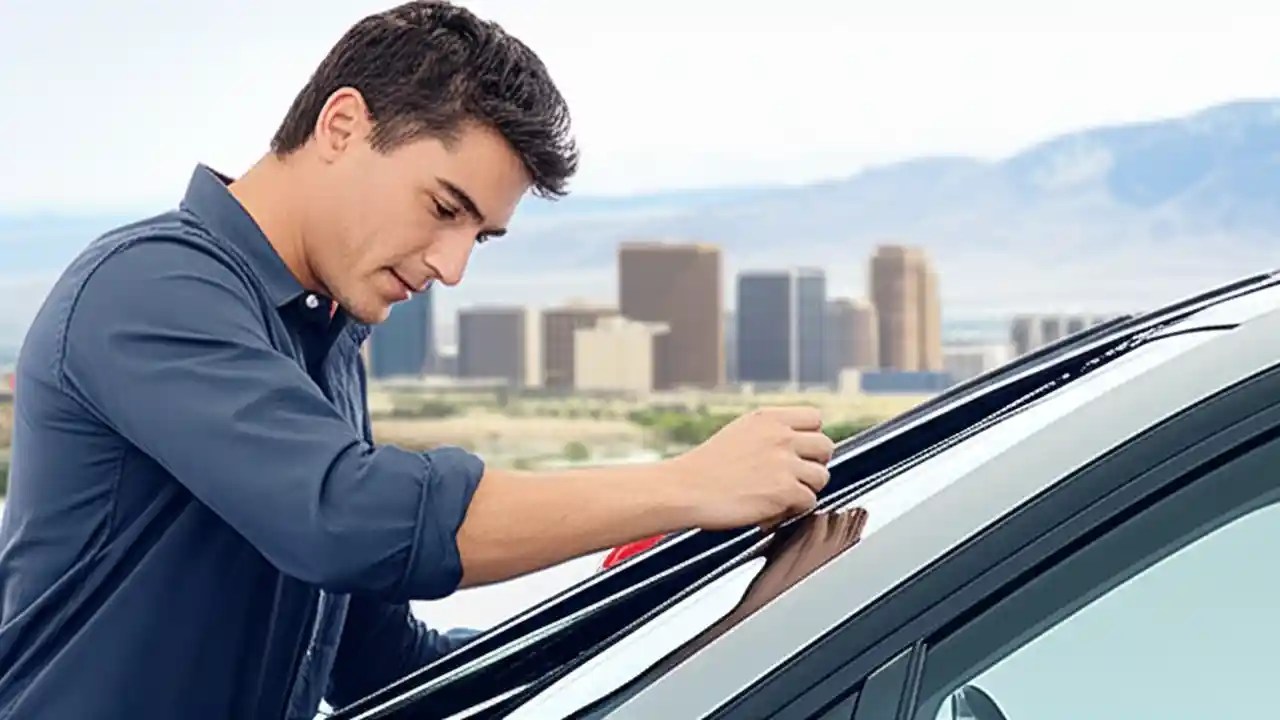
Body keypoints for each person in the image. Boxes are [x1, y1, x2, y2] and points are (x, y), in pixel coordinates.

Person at [0, 2, 835, 718]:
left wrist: (692, 620)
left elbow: (385, 660)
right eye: (443, 208)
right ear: (341, 126)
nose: (452, 266)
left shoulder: (323, 347)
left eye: (480, 235)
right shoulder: (150, 288)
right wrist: (686, 484)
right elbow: (349, 519)